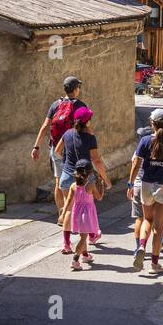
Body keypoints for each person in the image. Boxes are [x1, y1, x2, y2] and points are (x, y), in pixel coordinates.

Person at [32, 76, 86, 247]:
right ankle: (72, 216)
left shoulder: (55, 105)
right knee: (75, 183)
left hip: (55, 148)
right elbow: (87, 127)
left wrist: (36, 146)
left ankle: (62, 214)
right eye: (79, 87)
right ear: (76, 89)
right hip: (72, 148)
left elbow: (45, 126)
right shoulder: (80, 105)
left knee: (58, 181)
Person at [127, 108, 163, 273]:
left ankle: (141, 246)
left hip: (146, 185)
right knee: (159, 227)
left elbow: (136, 164)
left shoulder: (144, 141)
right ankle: (155, 264)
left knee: (147, 219)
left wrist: (130, 184)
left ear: (152, 124)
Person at [55, 105, 110, 251]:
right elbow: (97, 161)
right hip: (85, 177)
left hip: (67, 175)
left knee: (69, 209)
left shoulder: (67, 134)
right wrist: (106, 180)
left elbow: (57, 150)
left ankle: (66, 244)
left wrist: (68, 161)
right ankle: (91, 236)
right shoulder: (90, 138)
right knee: (87, 207)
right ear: (87, 122)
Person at [131, 110, 163, 253]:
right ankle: (154, 243)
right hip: (153, 185)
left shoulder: (139, 150)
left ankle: (138, 246)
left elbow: (134, 166)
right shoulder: (160, 147)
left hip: (138, 185)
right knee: (152, 219)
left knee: (141, 218)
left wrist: (130, 184)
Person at [59, 159, 103, 271]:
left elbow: (68, 201)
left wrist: (63, 214)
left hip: (77, 213)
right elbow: (99, 197)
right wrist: (101, 186)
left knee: (82, 236)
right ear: (89, 173)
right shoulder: (90, 185)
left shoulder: (73, 186)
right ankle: (75, 260)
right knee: (83, 238)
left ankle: (86, 255)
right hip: (87, 214)